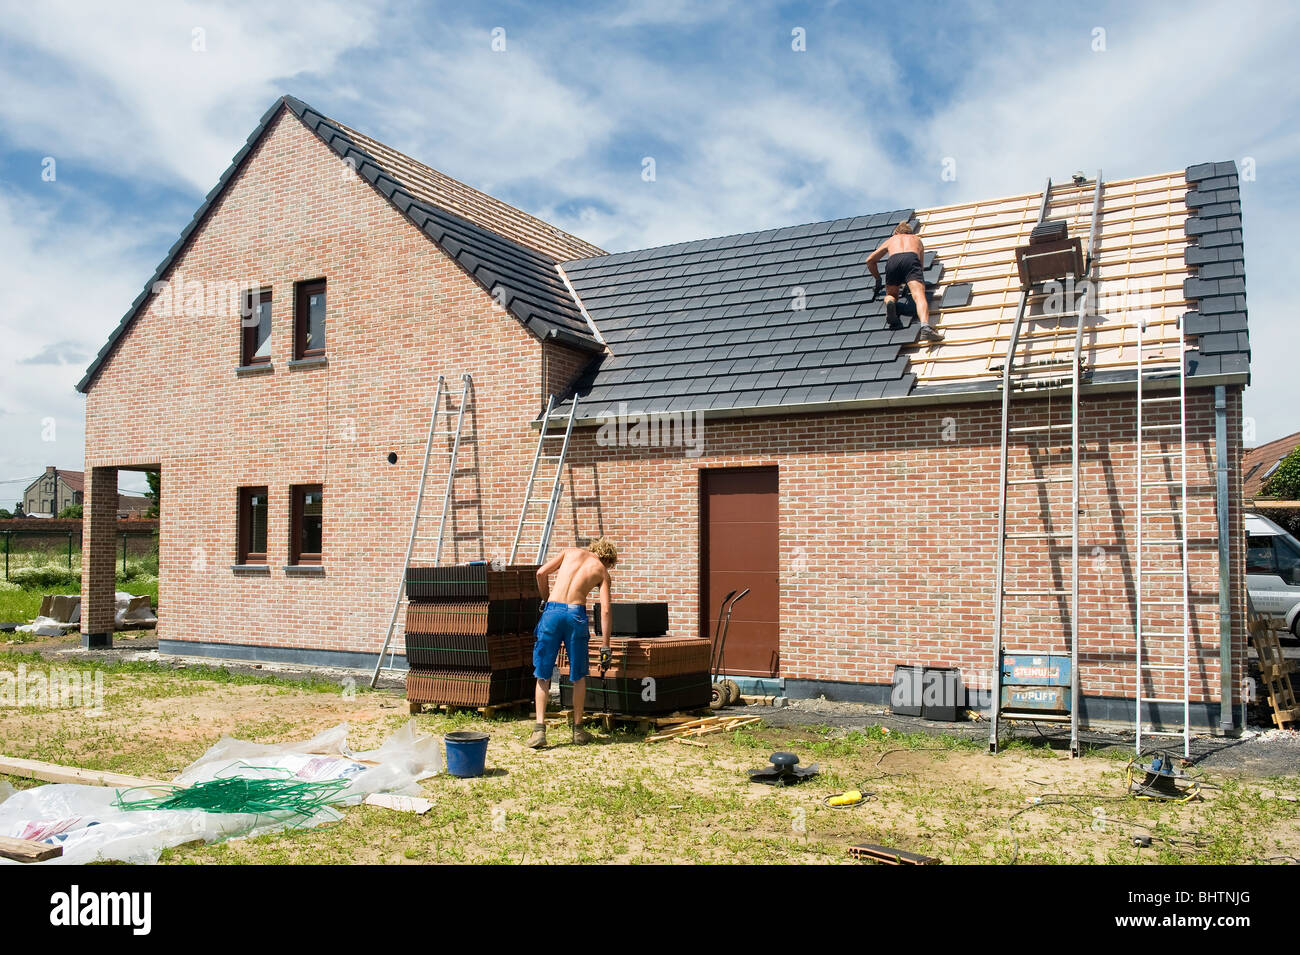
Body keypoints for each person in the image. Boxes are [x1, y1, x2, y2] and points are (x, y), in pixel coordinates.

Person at [527, 538, 617, 748]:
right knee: (578, 675)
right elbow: (605, 609)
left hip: (552, 612)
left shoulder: (569, 552)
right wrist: (605, 645)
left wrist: (546, 598)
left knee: (543, 673)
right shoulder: (602, 572)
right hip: (575, 615)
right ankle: (578, 731)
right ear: (608, 560)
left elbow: (541, 573)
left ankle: (539, 729)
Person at [866, 221, 944, 342]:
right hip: (911, 259)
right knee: (919, 295)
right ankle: (925, 327)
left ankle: (890, 302)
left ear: (896, 232)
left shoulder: (892, 240)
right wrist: (910, 282)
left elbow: (870, 260)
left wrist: (878, 279)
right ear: (910, 232)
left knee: (891, 295)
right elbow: (920, 267)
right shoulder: (916, 240)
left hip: (893, 261)